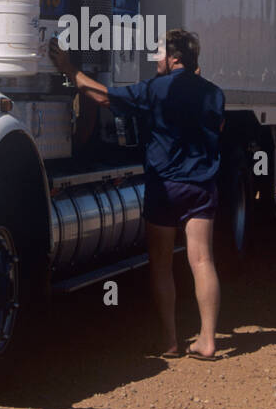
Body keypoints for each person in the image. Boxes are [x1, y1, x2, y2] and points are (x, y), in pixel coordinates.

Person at [47, 29, 225, 360]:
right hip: (201, 184)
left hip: (165, 186)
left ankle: (170, 341)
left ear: (173, 58)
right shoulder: (214, 93)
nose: (155, 59)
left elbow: (103, 97)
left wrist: (70, 71)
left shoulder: (155, 89)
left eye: (158, 54)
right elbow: (218, 128)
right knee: (202, 260)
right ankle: (208, 340)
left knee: (161, 264)